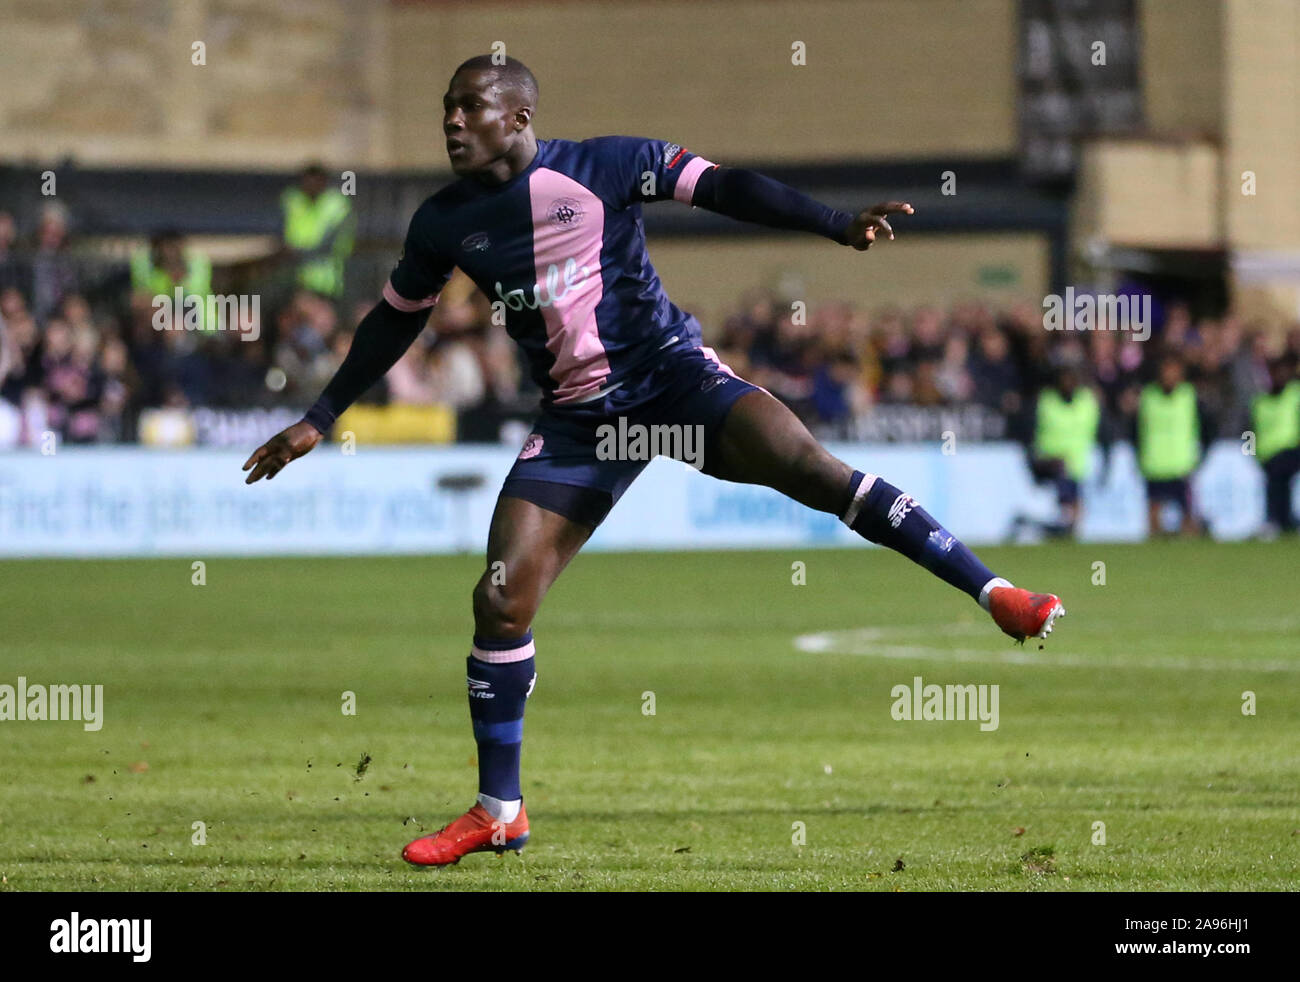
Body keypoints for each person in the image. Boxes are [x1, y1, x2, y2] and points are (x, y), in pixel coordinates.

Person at [242, 55, 1065, 867]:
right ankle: (500, 811)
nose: (453, 121)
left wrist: (834, 223)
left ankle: (995, 593)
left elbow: (728, 187)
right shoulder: (442, 222)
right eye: (446, 109)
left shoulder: (609, 164)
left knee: (814, 470)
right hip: (578, 421)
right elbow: (394, 321)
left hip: (674, 383)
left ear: (520, 117)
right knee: (500, 599)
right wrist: (320, 417)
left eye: (470, 107)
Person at [1137, 354, 1206, 537]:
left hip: (1181, 463)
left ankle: (1191, 554)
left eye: (1174, 371)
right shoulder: (1148, 395)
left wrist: (1199, 453)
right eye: (1166, 371)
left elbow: (1206, 425)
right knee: (1154, 514)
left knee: (1188, 513)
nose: (1170, 376)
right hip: (1154, 463)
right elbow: (1136, 428)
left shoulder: (1189, 395)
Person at [280, 164, 355, 299]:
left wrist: (298, 253)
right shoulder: (292, 201)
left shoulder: (337, 205)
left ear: (324, 182)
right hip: (295, 281)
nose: (311, 186)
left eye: (315, 182)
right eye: (307, 182)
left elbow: (329, 245)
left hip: (329, 283)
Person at [1250, 357, 1300, 536]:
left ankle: (1282, 521)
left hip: (1291, 450)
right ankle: (1279, 521)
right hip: (1267, 456)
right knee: (1274, 486)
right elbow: (1250, 431)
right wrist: (1251, 452)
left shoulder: (1295, 393)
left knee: (1282, 485)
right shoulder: (1259, 400)